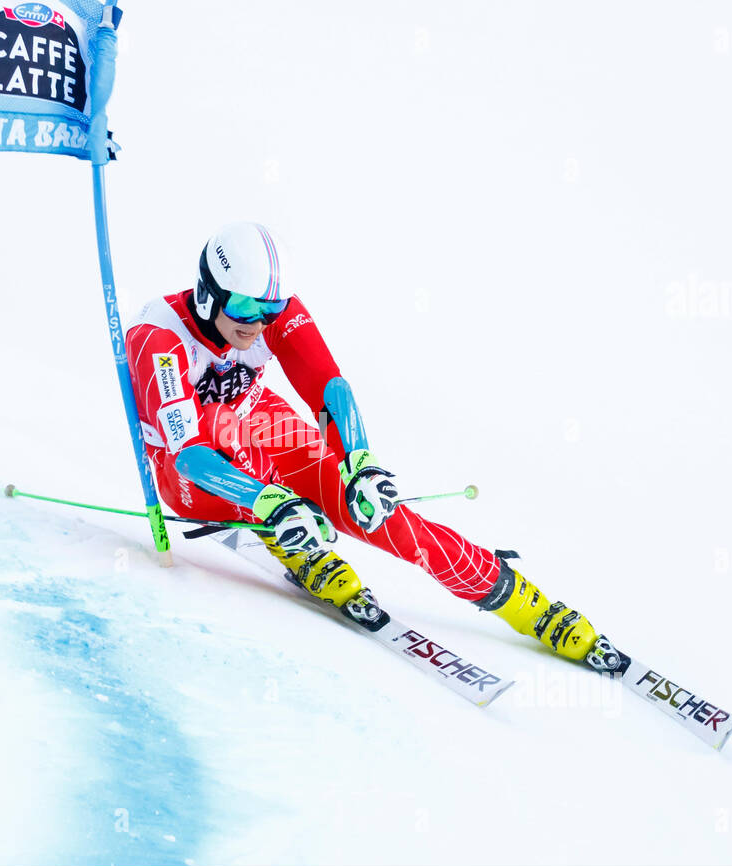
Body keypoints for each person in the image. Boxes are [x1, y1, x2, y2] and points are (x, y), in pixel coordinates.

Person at [126, 222, 621, 672]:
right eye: (245, 308)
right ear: (209, 293)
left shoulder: (271, 310)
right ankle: (291, 541)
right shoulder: (159, 339)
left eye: (271, 309)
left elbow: (329, 387)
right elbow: (188, 452)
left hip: (258, 426)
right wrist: (267, 500)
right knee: (221, 426)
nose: (258, 322)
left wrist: (361, 464)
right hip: (193, 475)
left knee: (376, 513)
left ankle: (524, 603)